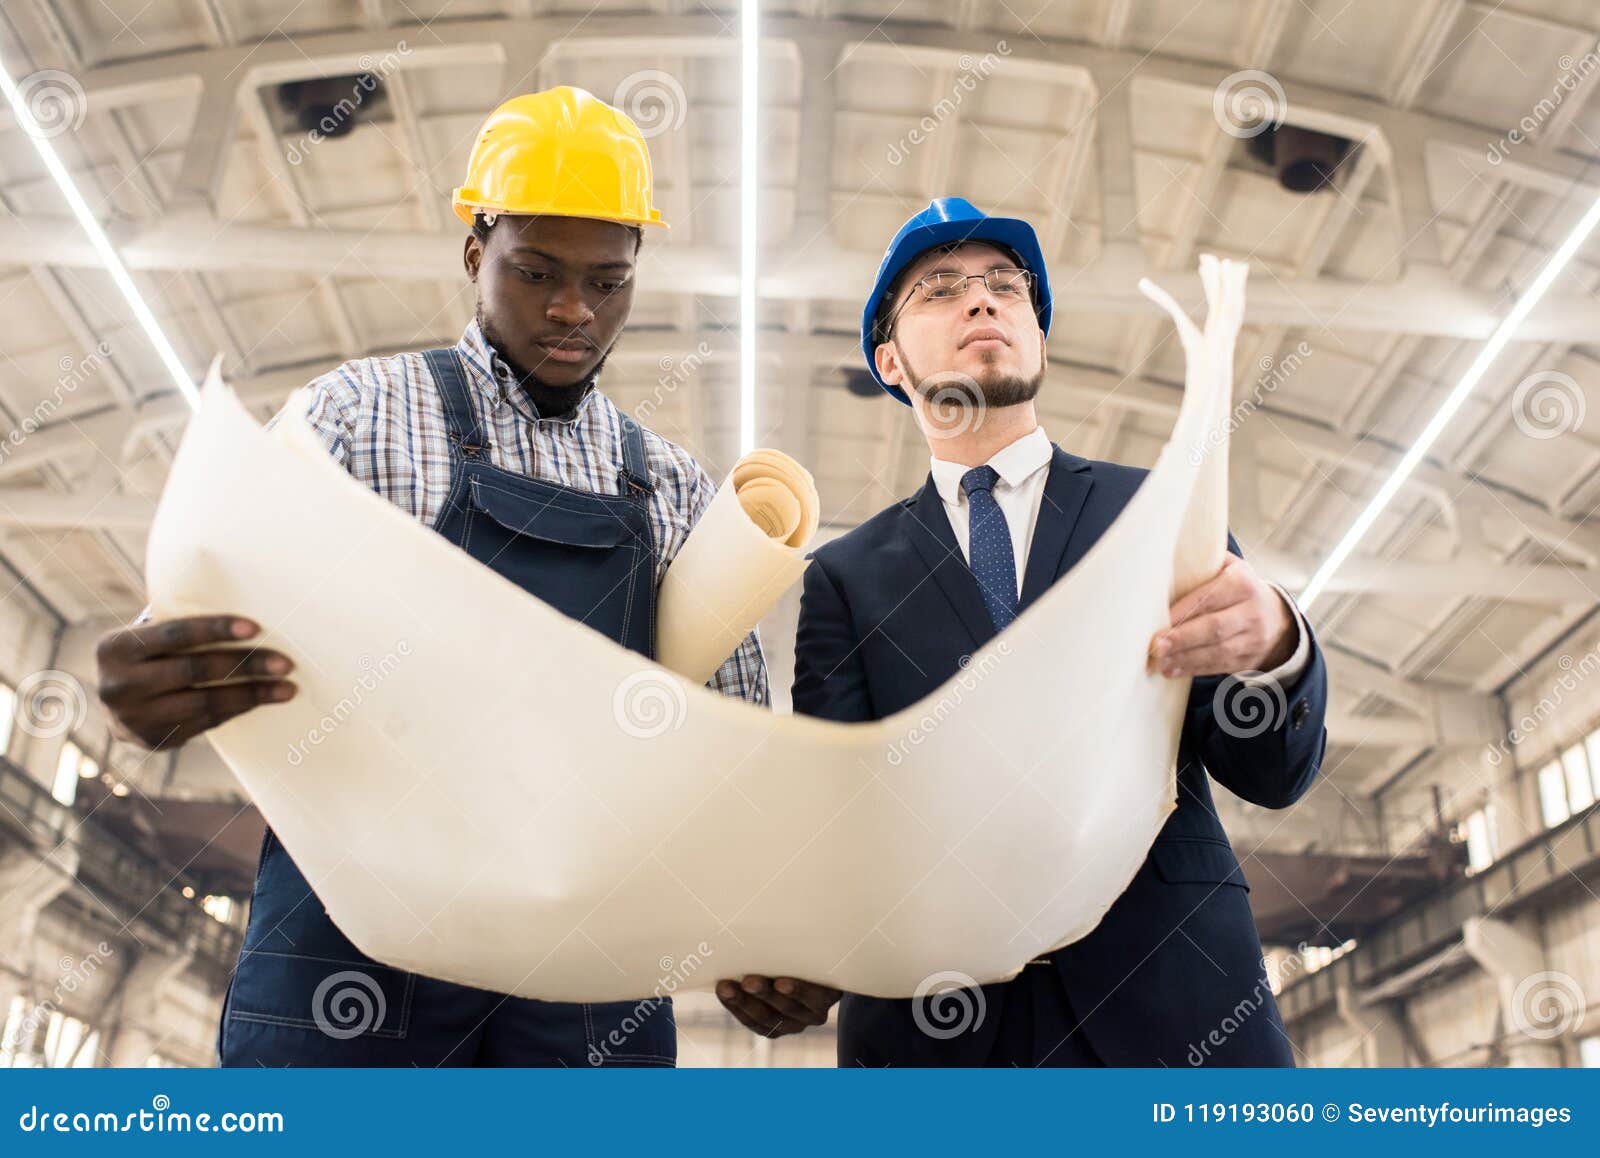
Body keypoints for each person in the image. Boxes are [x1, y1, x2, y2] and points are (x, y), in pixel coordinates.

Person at [94, 86, 768, 1067]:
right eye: (536, 271)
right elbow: (188, 625)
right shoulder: (355, 418)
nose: (573, 309)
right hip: (347, 961)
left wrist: (759, 918)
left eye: (607, 280)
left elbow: (735, 759)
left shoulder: (671, 491)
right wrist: (142, 688)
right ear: (473, 253)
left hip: (579, 989)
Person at [718, 197, 1327, 1066]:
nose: (982, 301)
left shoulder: (1157, 512)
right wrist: (792, 946)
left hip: (1174, 1010)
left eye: (1007, 286)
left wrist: (1274, 647)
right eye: (939, 290)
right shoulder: (847, 577)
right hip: (941, 1038)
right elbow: (842, 815)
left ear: (1037, 334)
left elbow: (1270, 771)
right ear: (890, 362)